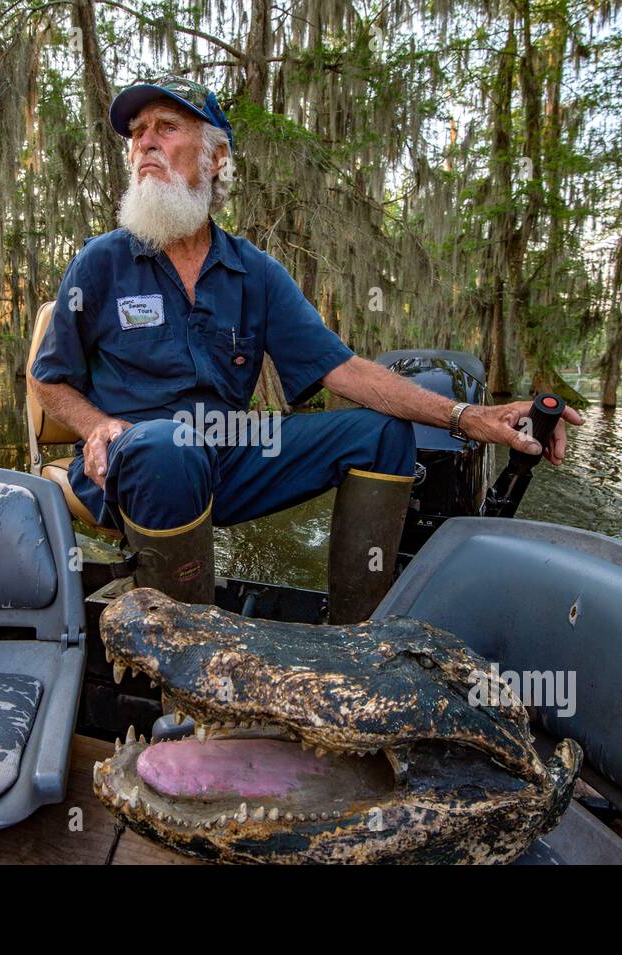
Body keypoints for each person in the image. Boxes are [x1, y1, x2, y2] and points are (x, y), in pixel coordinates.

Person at [30, 75, 583, 622]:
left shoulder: (254, 272)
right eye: (137, 131)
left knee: (380, 435)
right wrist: (95, 425)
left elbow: (345, 370)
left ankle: (357, 640)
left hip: (226, 454)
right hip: (128, 465)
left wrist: (469, 417)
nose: (144, 142)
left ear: (216, 157)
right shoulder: (102, 263)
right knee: (166, 447)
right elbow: (46, 379)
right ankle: (188, 659)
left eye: (166, 127)